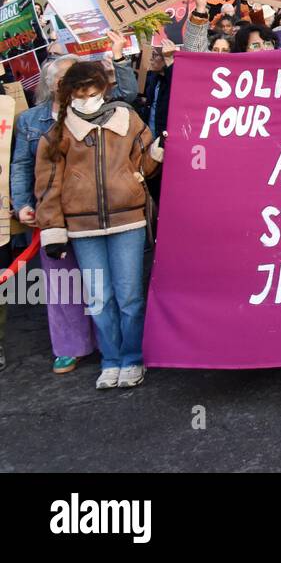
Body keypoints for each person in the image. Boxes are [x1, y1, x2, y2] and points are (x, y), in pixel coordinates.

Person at [10, 40, 137, 376]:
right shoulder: (32, 121)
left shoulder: (108, 111)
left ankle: (116, 349)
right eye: (71, 79)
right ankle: (71, 346)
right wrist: (22, 204)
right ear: (55, 85)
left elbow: (128, 94)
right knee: (65, 286)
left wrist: (119, 53)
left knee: (110, 286)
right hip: (57, 216)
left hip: (104, 215)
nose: (80, 84)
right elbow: (22, 165)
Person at [35, 61, 164, 390]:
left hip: (128, 220)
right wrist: (53, 231)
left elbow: (144, 164)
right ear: (69, 94)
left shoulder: (127, 118)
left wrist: (157, 154)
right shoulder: (57, 133)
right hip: (83, 228)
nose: (87, 97)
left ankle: (132, 357)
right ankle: (110, 359)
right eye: (80, 92)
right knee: (99, 298)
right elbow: (47, 186)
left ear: (103, 89)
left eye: (92, 91)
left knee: (130, 297)